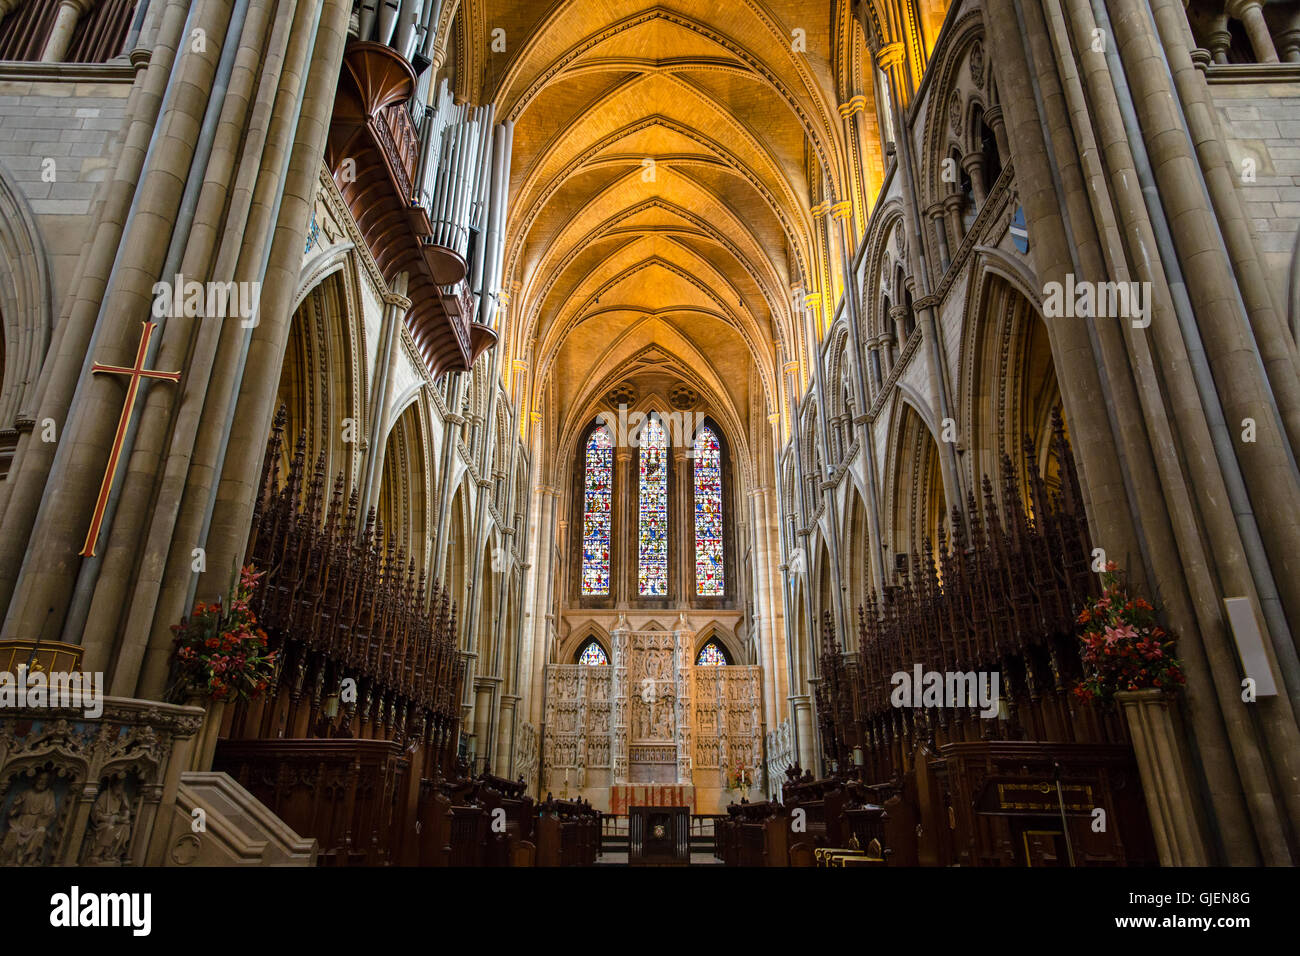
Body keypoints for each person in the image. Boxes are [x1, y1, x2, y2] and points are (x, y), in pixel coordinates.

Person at [0, 770, 58, 865]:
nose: (42, 782)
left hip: (37, 822)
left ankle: (30, 861)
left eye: (45, 780)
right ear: (35, 780)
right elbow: (12, 811)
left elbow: (51, 812)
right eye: (40, 779)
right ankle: (10, 859)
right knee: (13, 832)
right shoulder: (26, 793)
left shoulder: (48, 794)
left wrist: (43, 820)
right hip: (21, 821)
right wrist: (16, 804)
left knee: (41, 832)